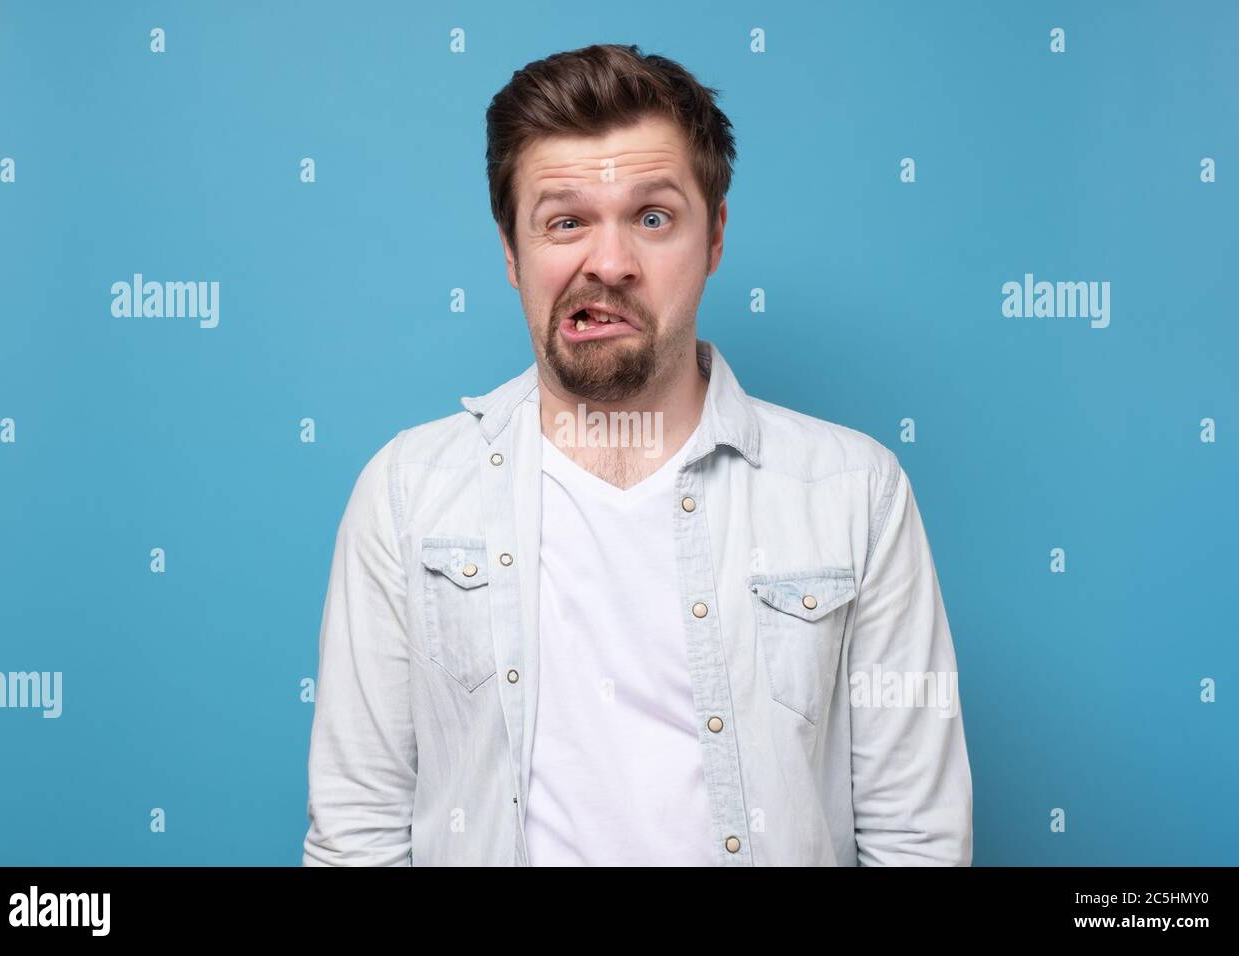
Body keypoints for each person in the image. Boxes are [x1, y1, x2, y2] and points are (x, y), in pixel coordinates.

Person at [303, 43, 972, 866]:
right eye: (566, 221)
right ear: (512, 253)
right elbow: (357, 835)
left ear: (715, 236)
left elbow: (918, 839)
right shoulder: (408, 494)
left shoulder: (855, 492)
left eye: (653, 218)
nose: (610, 262)